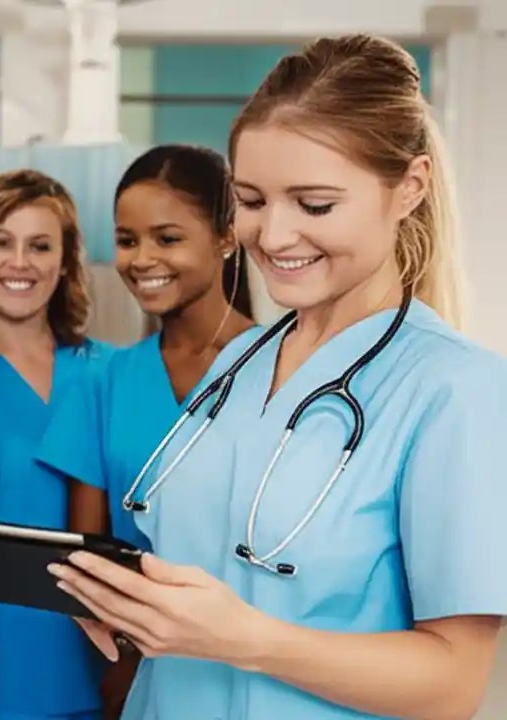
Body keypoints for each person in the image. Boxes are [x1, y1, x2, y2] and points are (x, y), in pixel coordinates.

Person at [49, 34, 507, 720]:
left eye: (315, 205)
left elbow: (452, 685)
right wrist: (128, 607)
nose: (275, 235)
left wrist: (246, 641)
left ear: (408, 188)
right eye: (253, 201)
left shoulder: (455, 391)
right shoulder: (239, 363)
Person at [37, 145, 259, 718]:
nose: (142, 259)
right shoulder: (102, 381)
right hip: (143, 679)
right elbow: (92, 556)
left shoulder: (285, 365)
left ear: (226, 236)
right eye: (128, 240)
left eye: (168, 238)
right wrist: (120, 668)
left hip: (262, 665)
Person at [0, 169, 109, 720]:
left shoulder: (107, 374)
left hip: (105, 662)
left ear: (64, 263)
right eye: (1, 242)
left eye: (40, 246)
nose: (21, 263)